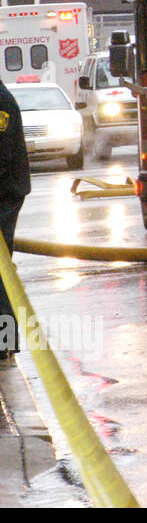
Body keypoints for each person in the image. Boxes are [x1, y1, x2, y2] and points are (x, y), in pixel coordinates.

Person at [0, 77, 31, 359]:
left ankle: (5, 340)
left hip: (5, 195)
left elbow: (2, 155)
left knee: (1, 271)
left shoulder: (2, 103)